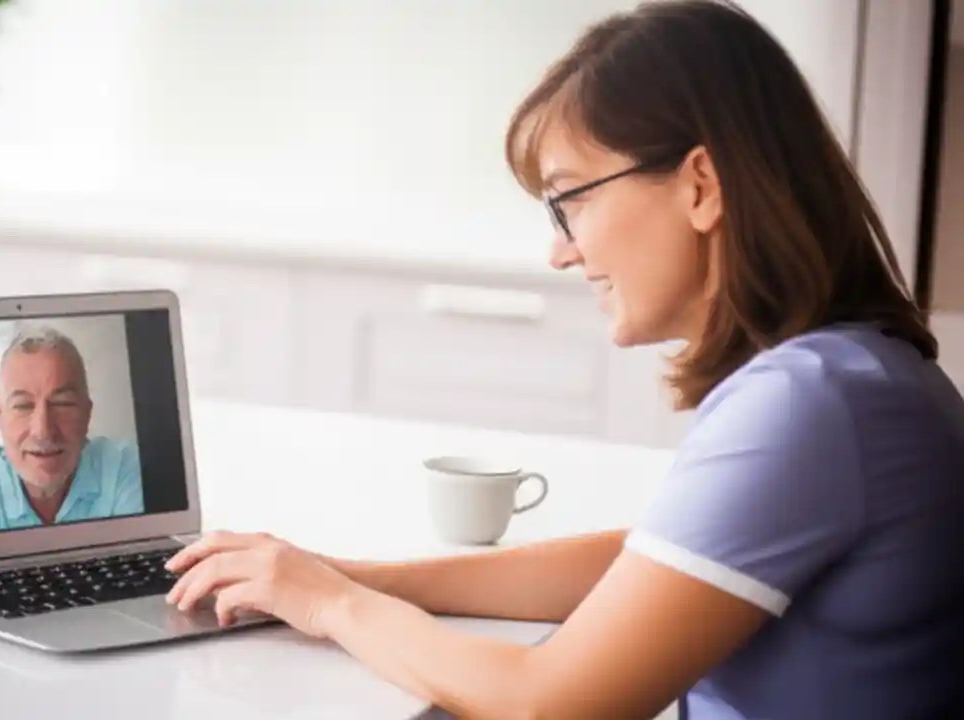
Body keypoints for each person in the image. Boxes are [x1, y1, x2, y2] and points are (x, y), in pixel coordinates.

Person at [161, 2, 964, 718]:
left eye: (571, 197)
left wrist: (332, 604)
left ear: (701, 185)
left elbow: (552, 705)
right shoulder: (853, 376)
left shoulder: (809, 402)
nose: (560, 251)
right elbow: (654, 561)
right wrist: (361, 577)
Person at [0, 325, 144, 537]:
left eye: (62, 403)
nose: (43, 431)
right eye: (23, 406)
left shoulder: (126, 467)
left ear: (87, 412)